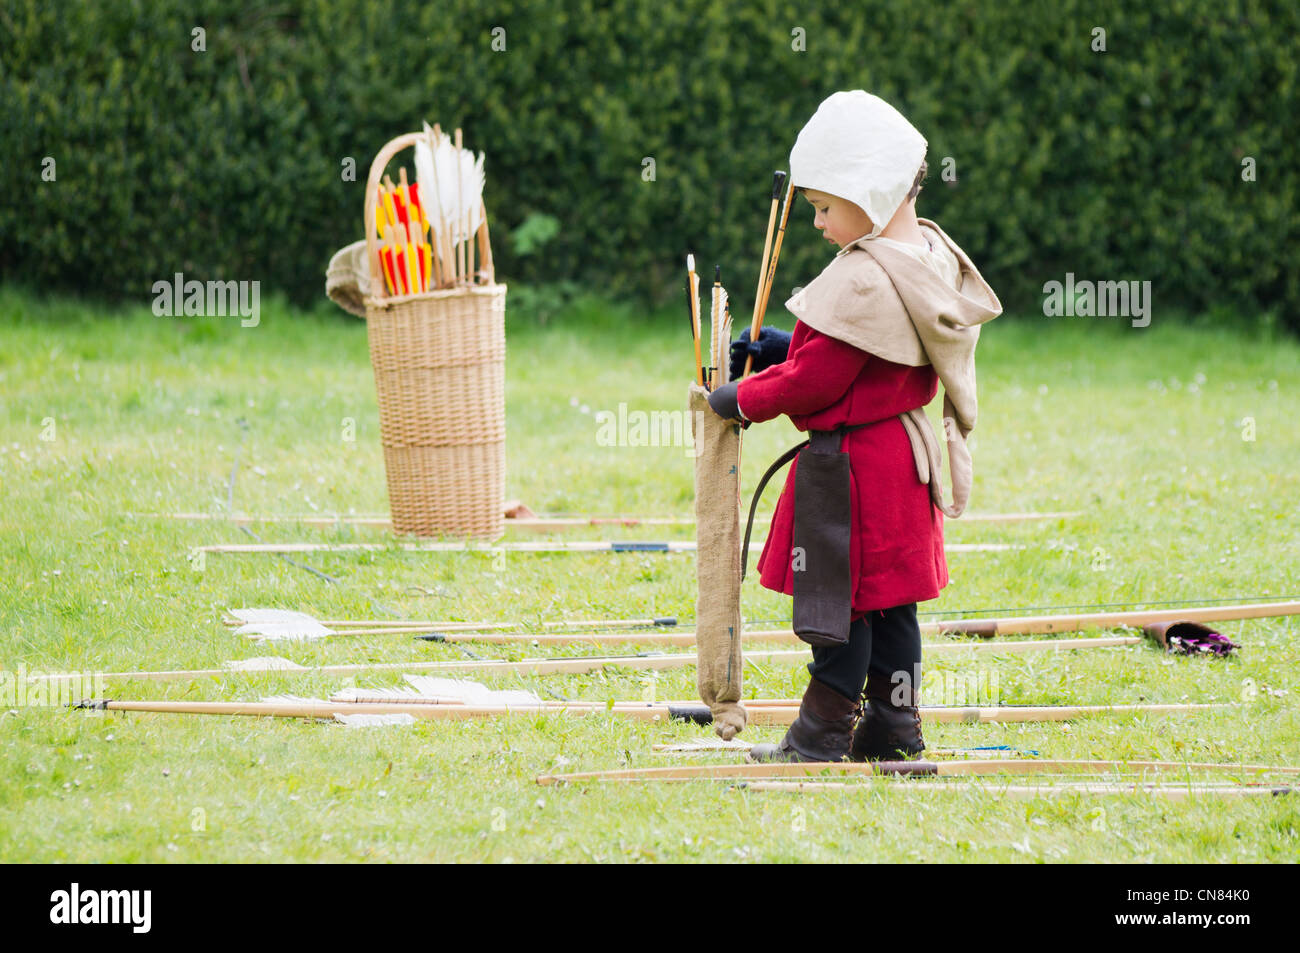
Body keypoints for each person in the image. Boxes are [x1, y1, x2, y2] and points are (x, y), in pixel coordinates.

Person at [705, 90, 1002, 763]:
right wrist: (783, 343)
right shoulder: (922, 255)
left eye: (824, 207)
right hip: (899, 457)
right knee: (892, 608)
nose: (816, 222)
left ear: (872, 191)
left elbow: (820, 379)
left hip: (855, 472)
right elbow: (860, 355)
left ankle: (819, 735)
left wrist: (741, 397)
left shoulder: (869, 276)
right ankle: (895, 732)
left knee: (839, 604)